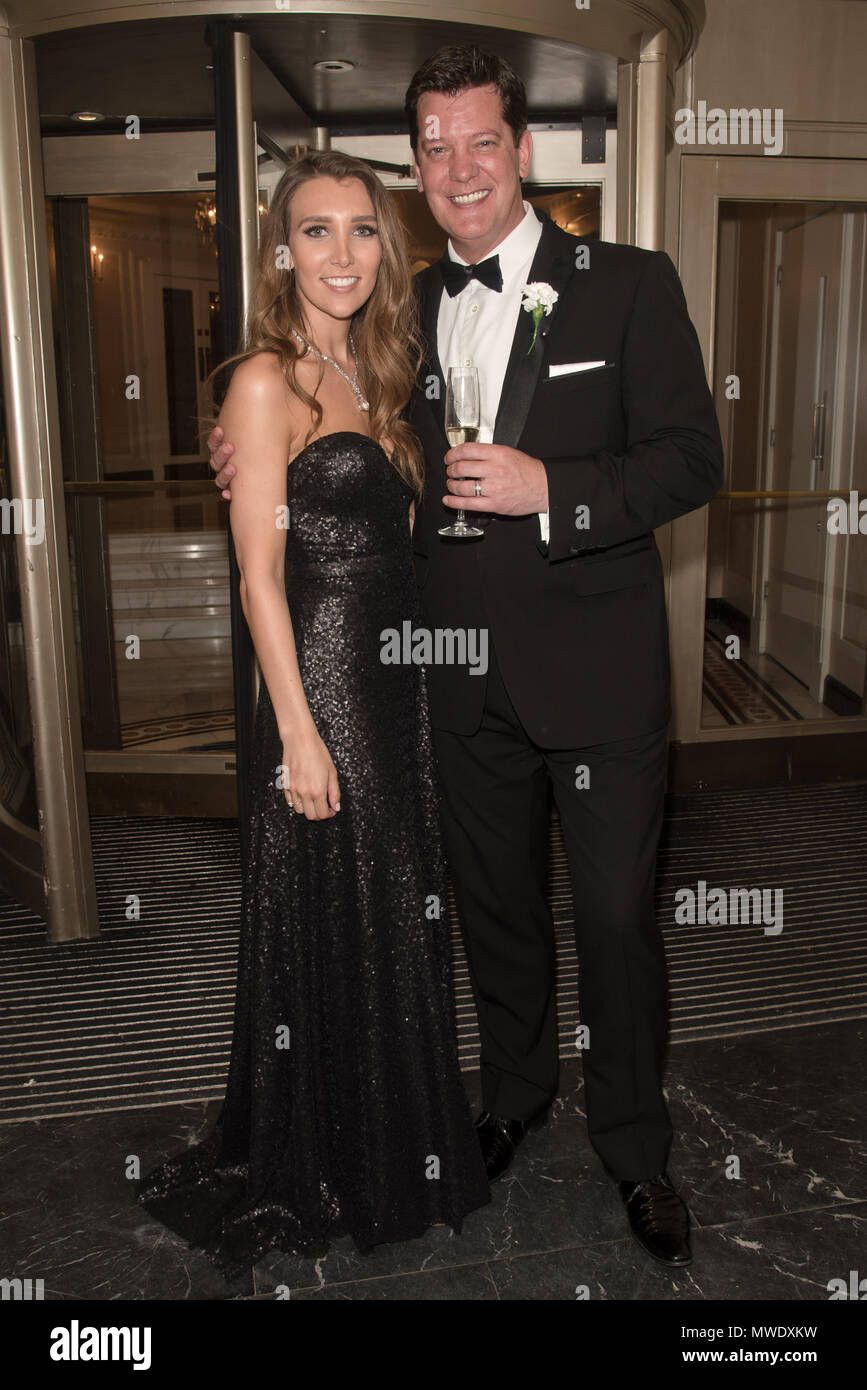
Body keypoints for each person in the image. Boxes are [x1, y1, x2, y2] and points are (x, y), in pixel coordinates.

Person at [209, 46, 725, 1269]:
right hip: (446, 684)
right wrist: (239, 444)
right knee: (493, 914)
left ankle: (637, 1149)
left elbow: (693, 459)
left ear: (523, 150)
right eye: (433, 149)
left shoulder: (629, 284)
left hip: (600, 682)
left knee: (611, 917)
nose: (458, 168)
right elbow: (320, 433)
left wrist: (561, 489)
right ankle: (513, 1092)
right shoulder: (405, 315)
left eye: (479, 141)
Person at [136, 149, 491, 1281]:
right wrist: (296, 729)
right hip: (321, 687)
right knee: (344, 907)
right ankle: (328, 1156)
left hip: (397, 687)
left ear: (387, 246)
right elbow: (256, 578)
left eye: (363, 230)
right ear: (281, 248)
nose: (342, 253)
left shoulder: (382, 368)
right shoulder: (264, 380)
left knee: (394, 907)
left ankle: (390, 1146)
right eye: (317, 230)